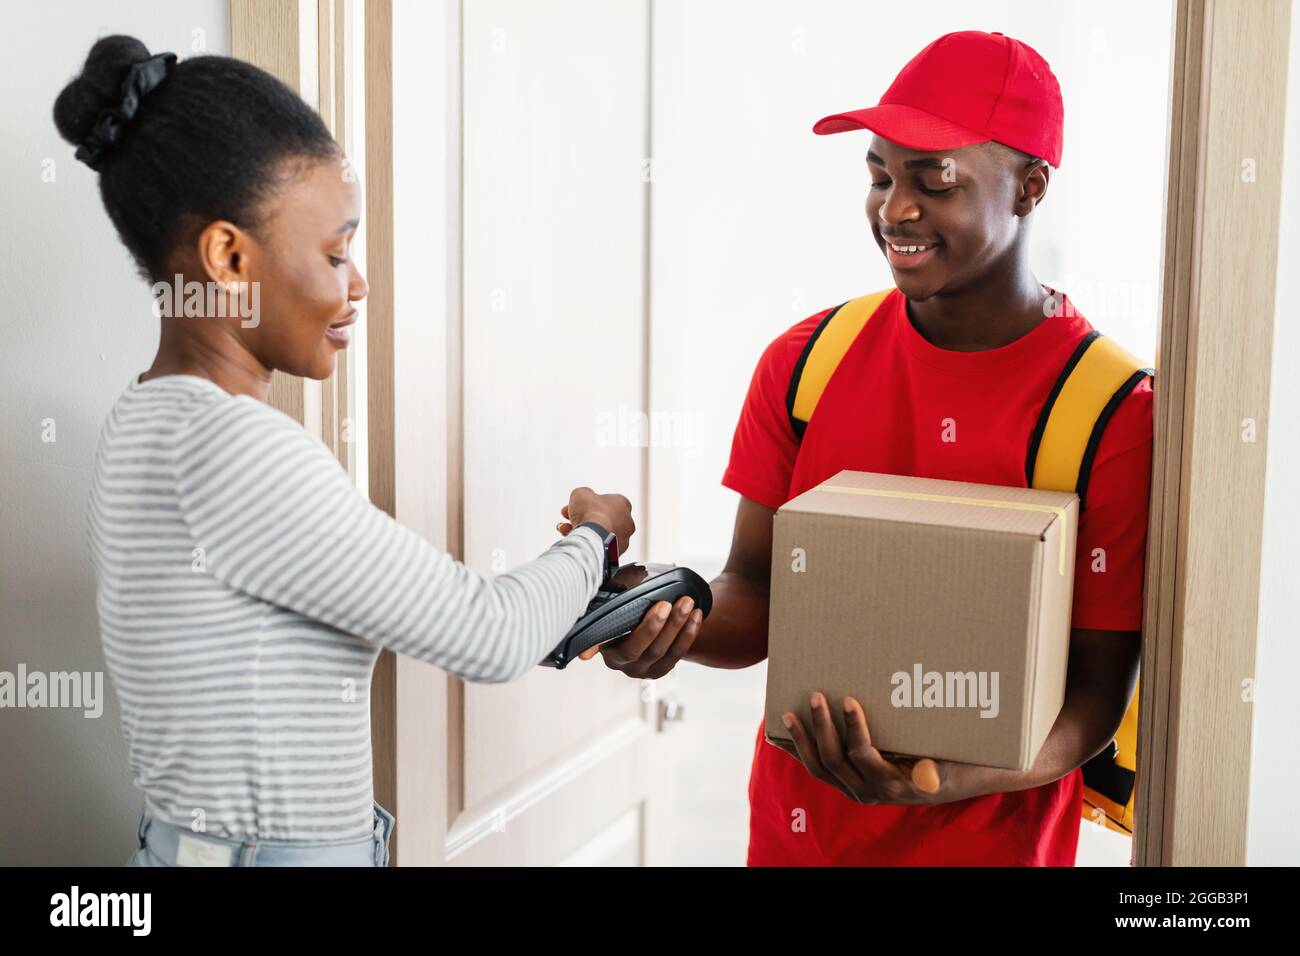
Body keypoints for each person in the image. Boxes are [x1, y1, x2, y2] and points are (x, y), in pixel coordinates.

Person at [57, 35, 655, 866]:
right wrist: (595, 535)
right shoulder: (237, 450)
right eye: (335, 252)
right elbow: (491, 632)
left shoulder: (147, 420)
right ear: (228, 257)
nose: (357, 283)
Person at [585, 30, 1152, 866]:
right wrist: (669, 624)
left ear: (1030, 188)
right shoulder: (806, 363)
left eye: (936, 182)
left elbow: (1095, 696)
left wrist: (938, 779)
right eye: (881, 176)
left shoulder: (1109, 410)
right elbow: (760, 593)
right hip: (797, 837)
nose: (895, 210)